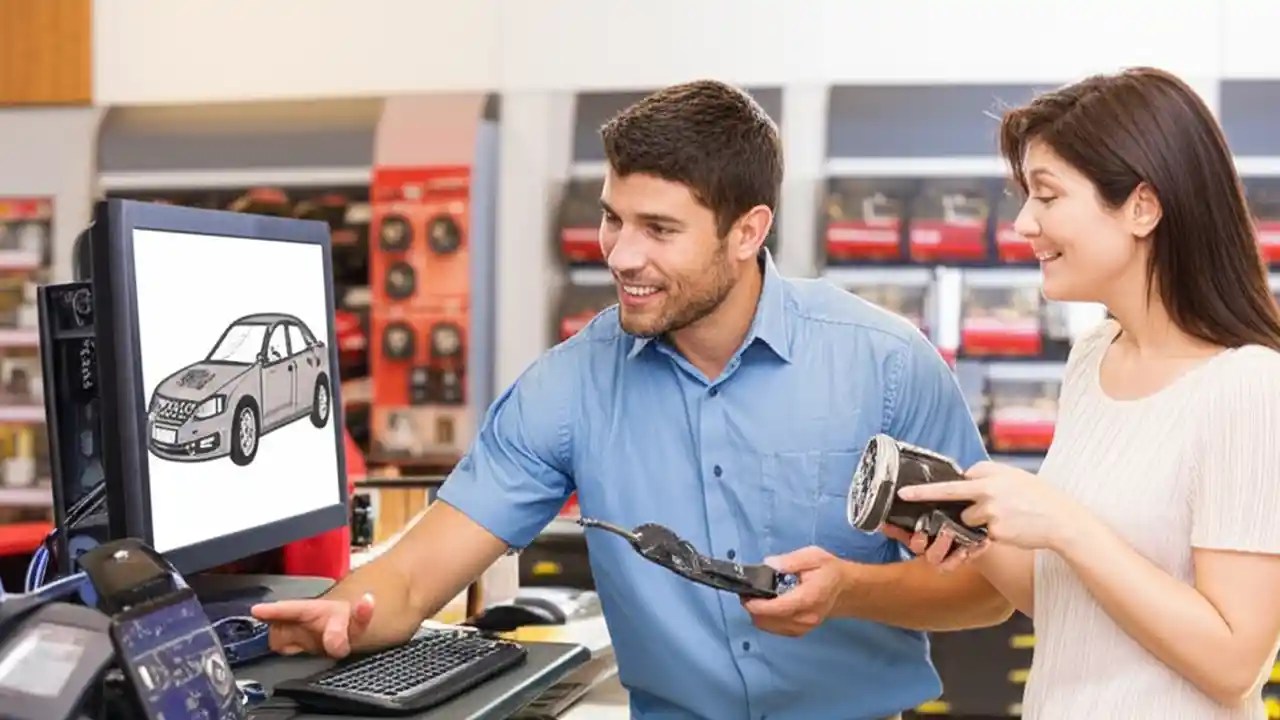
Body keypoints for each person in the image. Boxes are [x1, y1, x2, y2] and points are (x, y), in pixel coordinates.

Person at [251, 80, 1013, 720]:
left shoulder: (884, 363)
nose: (621, 254)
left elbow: (985, 590)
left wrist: (852, 589)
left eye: (659, 229)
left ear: (747, 232)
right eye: (613, 218)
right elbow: (415, 575)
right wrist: (344, 611)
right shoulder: (568, 383)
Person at [891, 67, 1280, 718]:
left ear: (1142, 206)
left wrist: (1067, 526)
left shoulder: (1249, 386)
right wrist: (971, 537)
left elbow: (1235, 663)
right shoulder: (1093, 357)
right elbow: (1069, 601)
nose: (1022, 224)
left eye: (1047, 196)